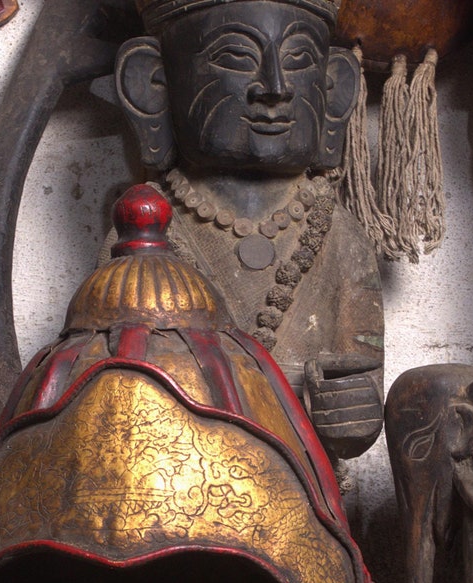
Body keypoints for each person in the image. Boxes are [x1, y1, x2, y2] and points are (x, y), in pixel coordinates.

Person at [115, 0, 384, 464]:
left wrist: (352, 412)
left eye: (299, 61)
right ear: (154, 85)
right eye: (237, 58)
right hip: (178, 488)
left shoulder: (338, 232)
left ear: (332, 87)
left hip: (307, 494)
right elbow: (112, 388)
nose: (275, 88)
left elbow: (361, 378)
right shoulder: (148, 223)